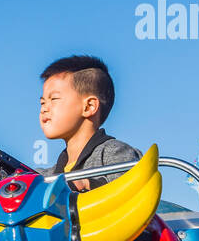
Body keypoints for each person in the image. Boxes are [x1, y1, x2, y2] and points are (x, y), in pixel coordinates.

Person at [38, 55, 141, 190]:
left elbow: (130, 191)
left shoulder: (114, 152)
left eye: (54, 99)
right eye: (42, 102)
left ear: (89, 106)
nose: (44, 108)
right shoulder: (47, 176)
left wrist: (87, 184)